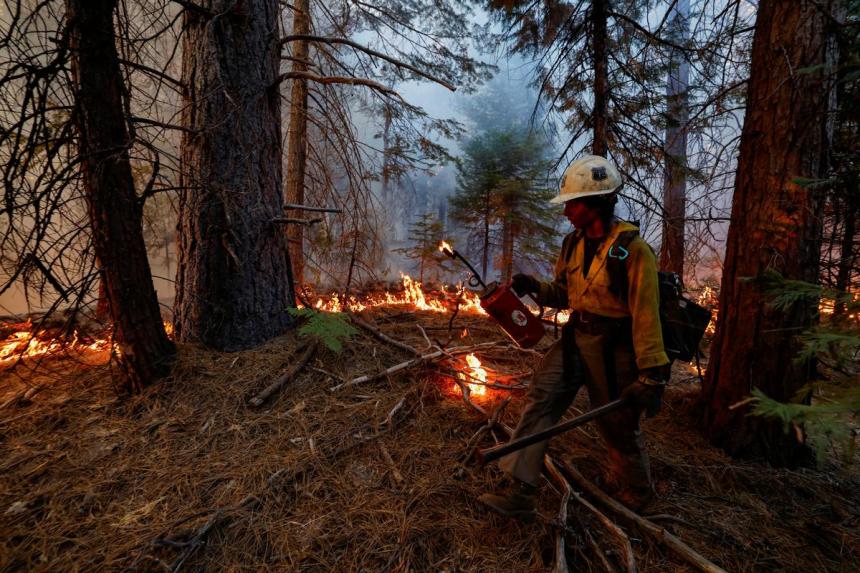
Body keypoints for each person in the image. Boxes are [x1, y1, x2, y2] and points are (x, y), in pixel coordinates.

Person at [479, 155, 670, 517]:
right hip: (575, 340)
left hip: (615, 348)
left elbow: (646, 315)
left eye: (572, 203)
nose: (566, 211)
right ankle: (520, 490)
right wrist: (534, 286)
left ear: (596, 204)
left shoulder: (633, 252)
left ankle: (639, 497)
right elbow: (566, 294)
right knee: (541, 399)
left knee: (617, 423)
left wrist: (651, 372)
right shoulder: (573, 244)